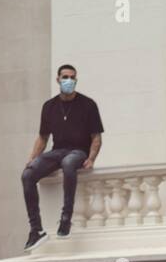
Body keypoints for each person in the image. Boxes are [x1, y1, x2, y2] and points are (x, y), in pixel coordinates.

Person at [22, 63, 104, 251]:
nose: (69, 81)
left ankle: (66, 218)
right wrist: (32, 158)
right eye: (65, 77)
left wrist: (91, 158)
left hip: (78, 151)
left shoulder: (88, 104)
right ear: (58, 79)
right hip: (57, 151)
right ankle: (36, 230)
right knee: (27, 175)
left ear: (76, 80)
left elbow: (96, 137)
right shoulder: (49, 106)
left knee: (69, 164)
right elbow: (43, 137)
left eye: (72, 78)